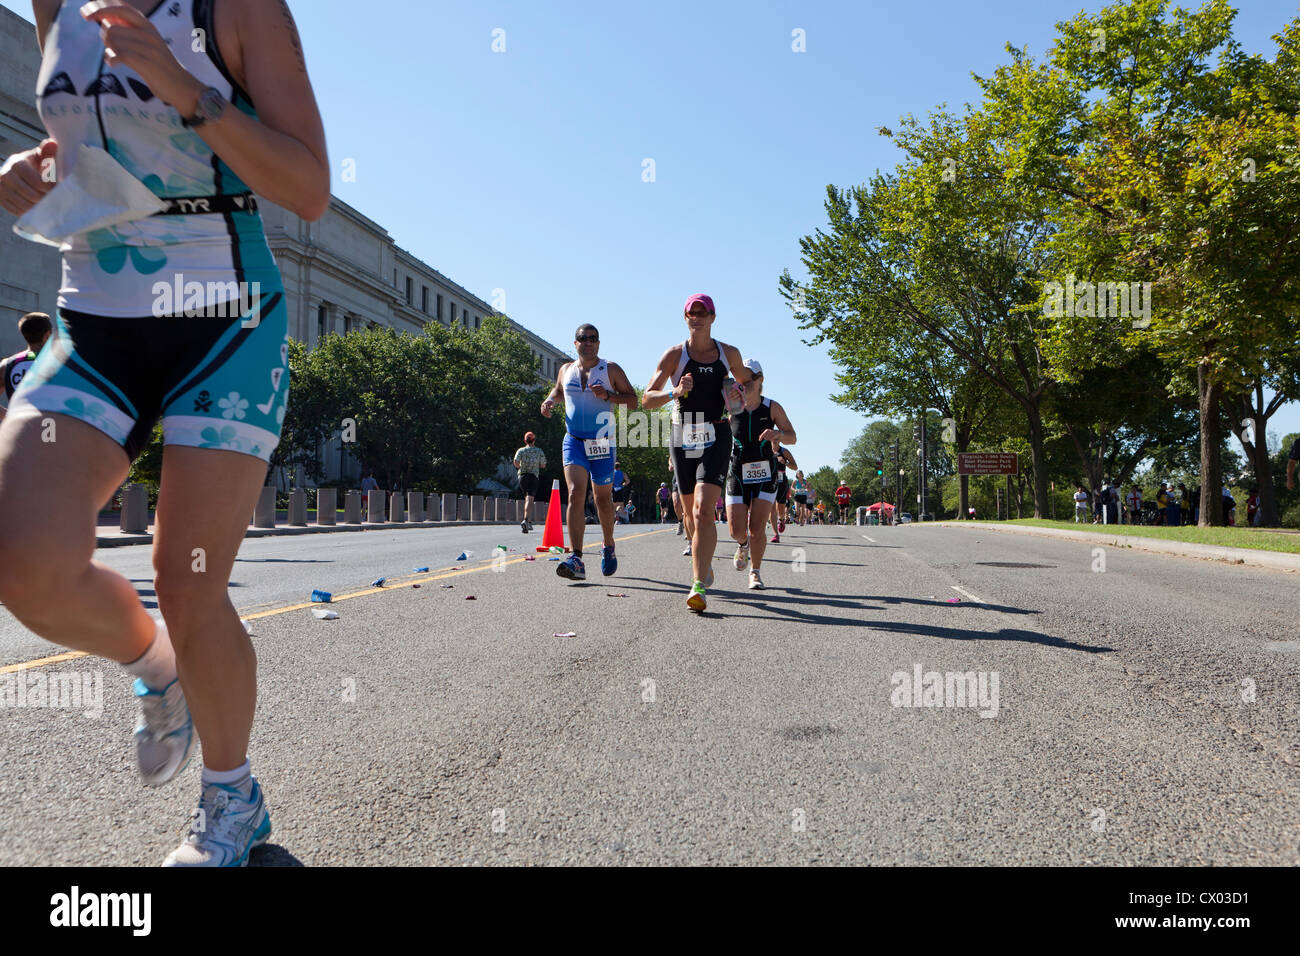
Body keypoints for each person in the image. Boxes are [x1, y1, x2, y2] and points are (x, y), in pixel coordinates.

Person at [0, 0, 329, 867]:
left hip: (221, 313)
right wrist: (30, 170)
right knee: (20, 559)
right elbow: (85, 142)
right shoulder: (55, 3)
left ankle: (232, 803)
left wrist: (190, 91)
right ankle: (159, 668)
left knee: (186, 579)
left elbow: (307, 187)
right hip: (95, 313)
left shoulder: (240, 8)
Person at [642, 294, 750, 612]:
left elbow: (747, 385)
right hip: (683, 433)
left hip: (716, 432)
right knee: (689, 514)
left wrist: (737, 392)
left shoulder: (728, 353)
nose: (697, 317)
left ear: (713, 317)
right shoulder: (674, 355)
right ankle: (703, 561)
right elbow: (647, 398)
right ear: (685, 317)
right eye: (692, 312)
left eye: (703, 313)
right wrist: (674, 392)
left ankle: (698, 585)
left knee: (704, 510)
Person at [539, 324, 636, 579]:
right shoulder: (565, 369)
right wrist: (549, 401)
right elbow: (559, 391)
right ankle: (577, 558)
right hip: (573, 440)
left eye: (593, 339)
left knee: (603, 499)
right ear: (575, 343)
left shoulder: (610, 369)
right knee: (575, 493)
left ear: (599, 344)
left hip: (602, 442)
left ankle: (608, 544)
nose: (588, 342)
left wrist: (609, 395)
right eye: (583, 339)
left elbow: (633, 399)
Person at [725, 360, 795, 589]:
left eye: (747, 379)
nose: (741, 383)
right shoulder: (730, 406)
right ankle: (742, 544)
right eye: (738, 379)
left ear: (759, 380)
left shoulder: (772, 407)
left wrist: (776, 434)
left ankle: (755, 572)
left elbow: (792, 437)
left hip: (766, 472)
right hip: (737, 471)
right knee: (736, 529)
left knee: (757, 528)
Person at [0, 312, 53, 420]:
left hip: (19, 432)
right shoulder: (61, 363)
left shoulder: (7, 364)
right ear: (47, 335)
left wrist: (11, 418)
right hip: (52, 431)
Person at [512, 431, 546, 532]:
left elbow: (516, 462)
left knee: (527, 498)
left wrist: (522, 466)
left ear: (525, 440)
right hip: (533, 476)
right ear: (534, 440)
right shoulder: (539, 451)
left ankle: (529, 522)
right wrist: (535, 465)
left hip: (522, 476)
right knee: (530, 499)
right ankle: (526, 520)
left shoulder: (521, 451)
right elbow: (543, 465)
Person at [770, 446, 797, 543]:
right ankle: (775, 534)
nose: (774, 441)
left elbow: (795, 467)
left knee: (781, 509)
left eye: (777, 438)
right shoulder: (765, 450)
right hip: (769, 481)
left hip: (781, 482)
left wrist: (785, 462)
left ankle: (781, 520)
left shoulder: (784, 451)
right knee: (771, 508)